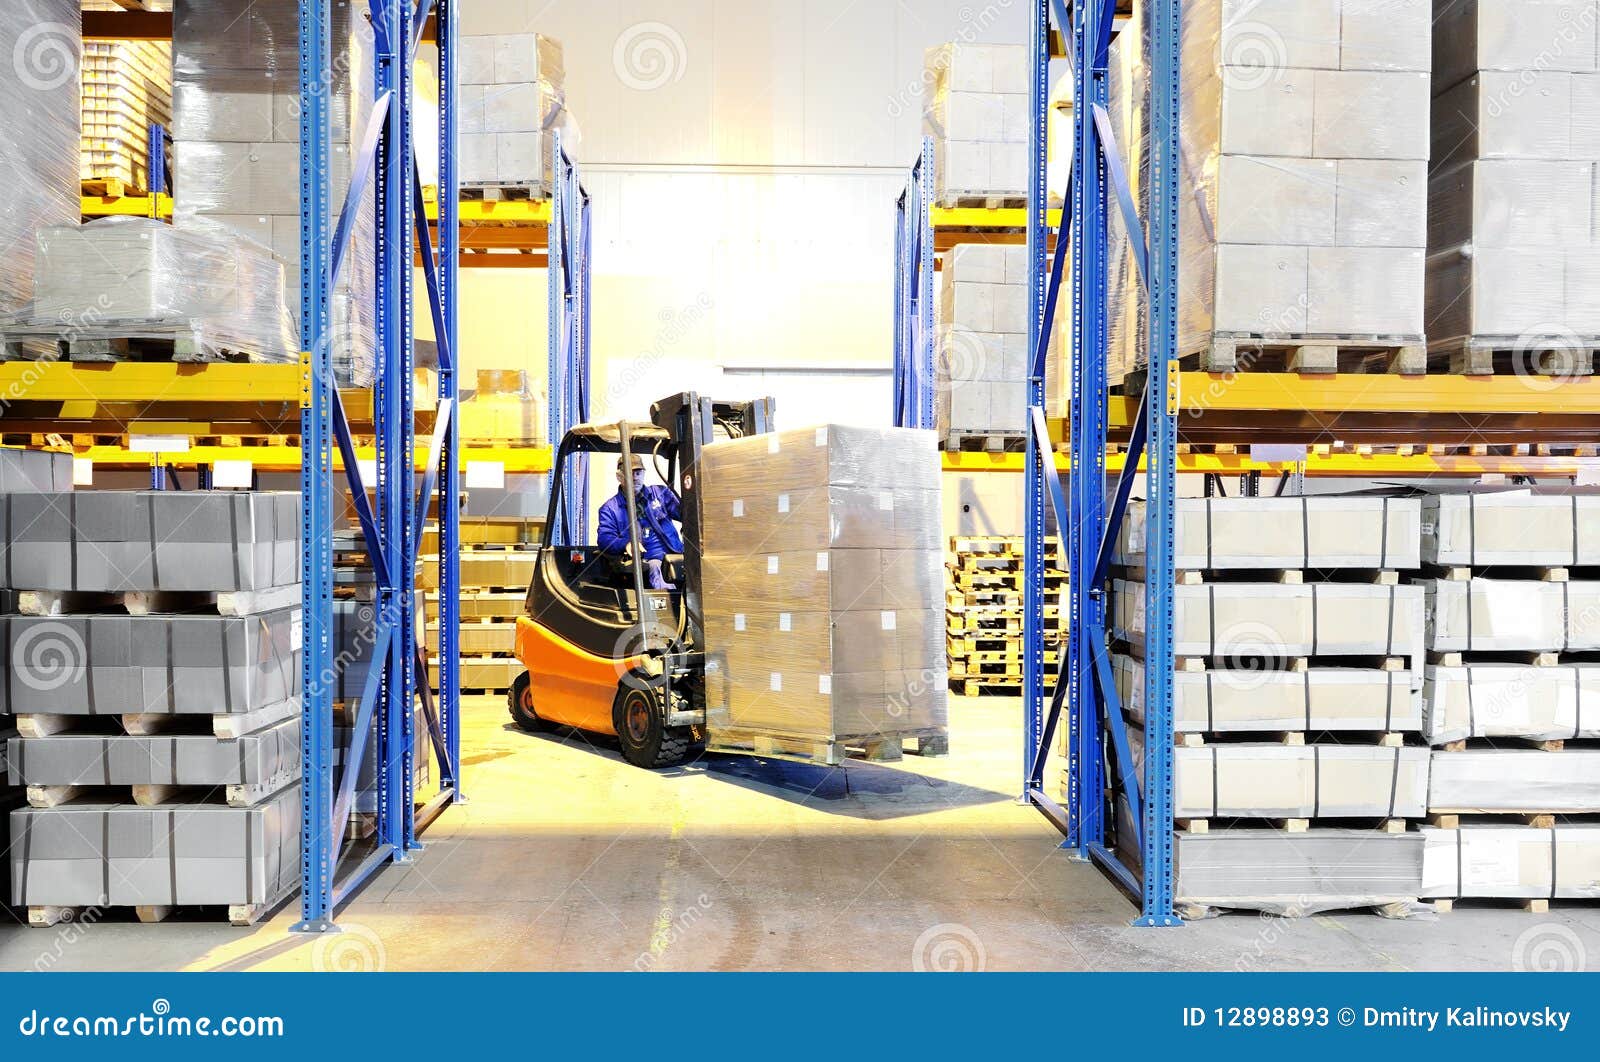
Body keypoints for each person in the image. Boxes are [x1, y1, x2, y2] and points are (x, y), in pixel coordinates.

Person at [597, 454, 683, 590]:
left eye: (638, 473)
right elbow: (604, 539)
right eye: (630, 473)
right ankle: (674, 606)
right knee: (657, 569)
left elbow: (684, 514)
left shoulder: (660, 493)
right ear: (619, 477)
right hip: (649, 560)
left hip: (676, 553)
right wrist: (626, 544)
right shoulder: (610, 509)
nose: (635, 477)